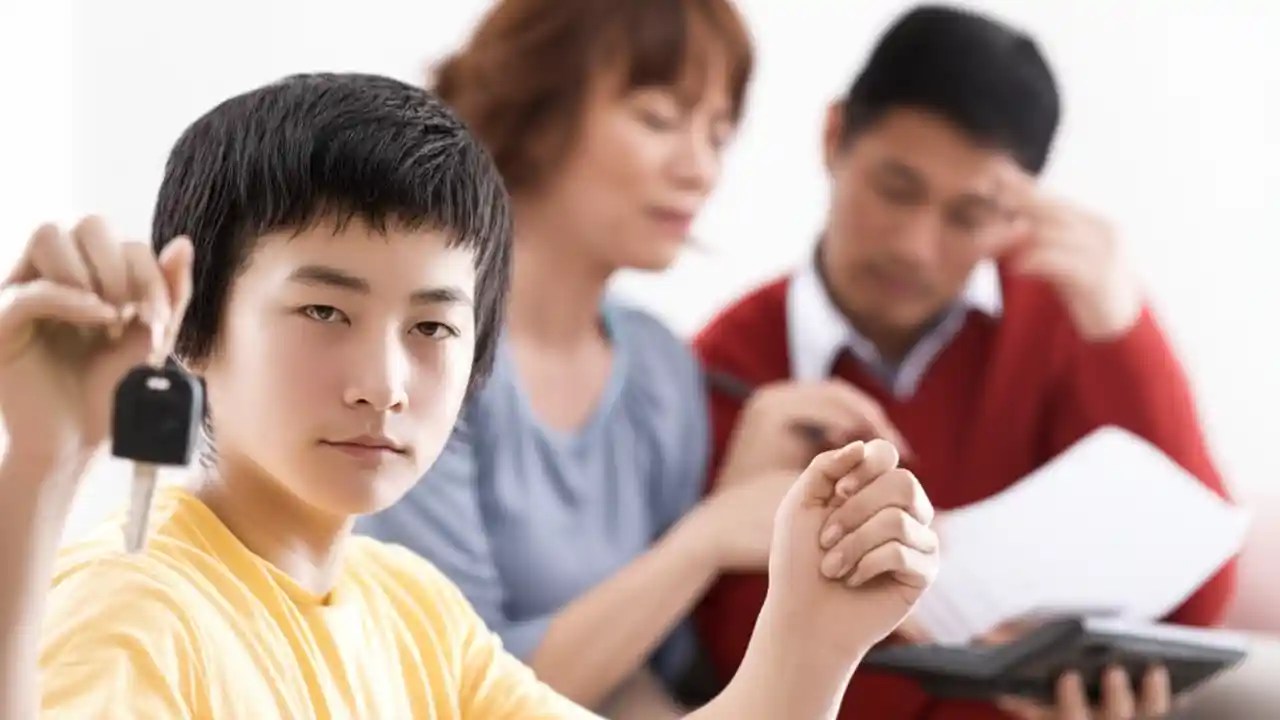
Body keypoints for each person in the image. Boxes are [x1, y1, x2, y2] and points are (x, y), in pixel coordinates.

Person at [0, 72, 941, 719]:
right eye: (325, 311)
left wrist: (810, 638)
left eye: (432, 327)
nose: (383, 385)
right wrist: (41, 468)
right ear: (193, 325)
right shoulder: (135, 605)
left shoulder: (414, 609)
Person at [691, 5, 1237, 720]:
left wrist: (1124, 335)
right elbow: (732, 665)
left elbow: (1197, 606)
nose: (915, 246)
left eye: (968, 215)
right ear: (833, 137)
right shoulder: (728, 362)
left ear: (1017, 213)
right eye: (896, 189)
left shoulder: (1063, 323)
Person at [357, 1, 848, 715]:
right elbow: (457, 693)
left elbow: (661, 662)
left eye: (718, 134)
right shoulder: (419, 358)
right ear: (537, 111)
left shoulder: (659, 367)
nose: (700, 169)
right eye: (659, 119)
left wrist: (736, 487)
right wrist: (707, 538)